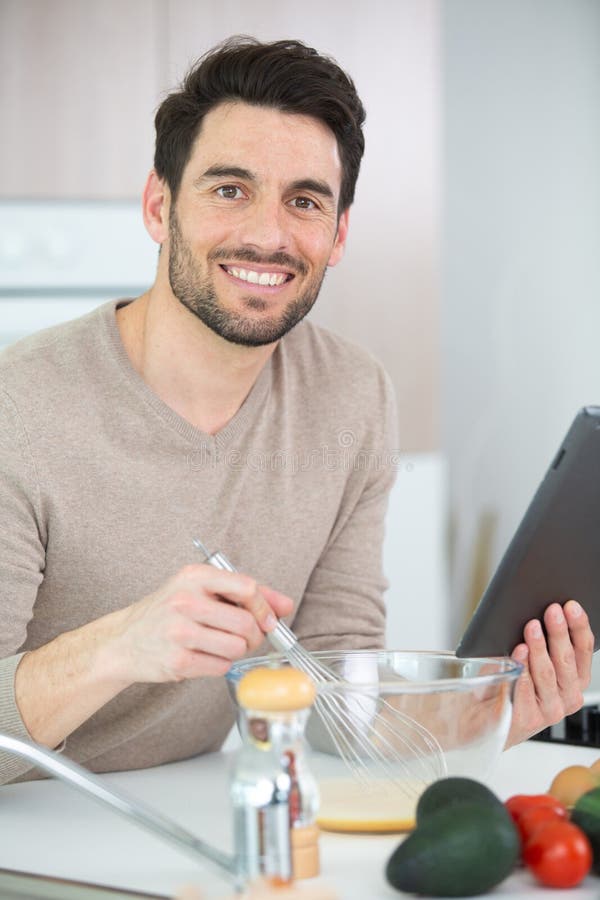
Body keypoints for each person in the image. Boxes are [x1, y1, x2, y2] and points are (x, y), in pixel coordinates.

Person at [0, 37, 593, 785]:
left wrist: (498, 716)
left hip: (191, 819)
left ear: (338, 233)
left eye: (304, 201)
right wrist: (116, 646)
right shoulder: (17, 407)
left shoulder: (351, 394)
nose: (268, 235)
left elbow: (340, 711)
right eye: (229, 189)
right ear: (158, 206)